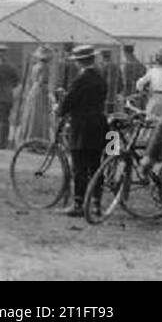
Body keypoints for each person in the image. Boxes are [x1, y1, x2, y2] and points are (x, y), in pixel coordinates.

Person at [55, 44, 106, 217]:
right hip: (99, 125)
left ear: (79, 62)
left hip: (82, 127)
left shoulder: (80, 80)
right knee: (96, 166)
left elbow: (69, 102)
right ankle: (96, 204)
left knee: (79, 167)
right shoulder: (100, 77)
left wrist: (59, 109)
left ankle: (78, 204)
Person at [13, 46, 54, 144]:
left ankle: (29, 136)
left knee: (32, 114)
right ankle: (38, 138)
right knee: (39, 115)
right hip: (40, 91)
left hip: (33, 90)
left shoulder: (35, 66)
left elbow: (32, 80)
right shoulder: (45, 67)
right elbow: (42, 80)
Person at [137, 51, 162, 180]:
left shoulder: (153, 71)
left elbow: (140, 84)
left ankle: (147, 148)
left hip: (156, 98)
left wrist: (143, 90)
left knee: (149, 121)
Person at [99, 49, 121, 115]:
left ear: (102, 56)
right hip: (113, 95)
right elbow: (120, 81)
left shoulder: (104, 67)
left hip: (105, 95)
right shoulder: (116, 66)